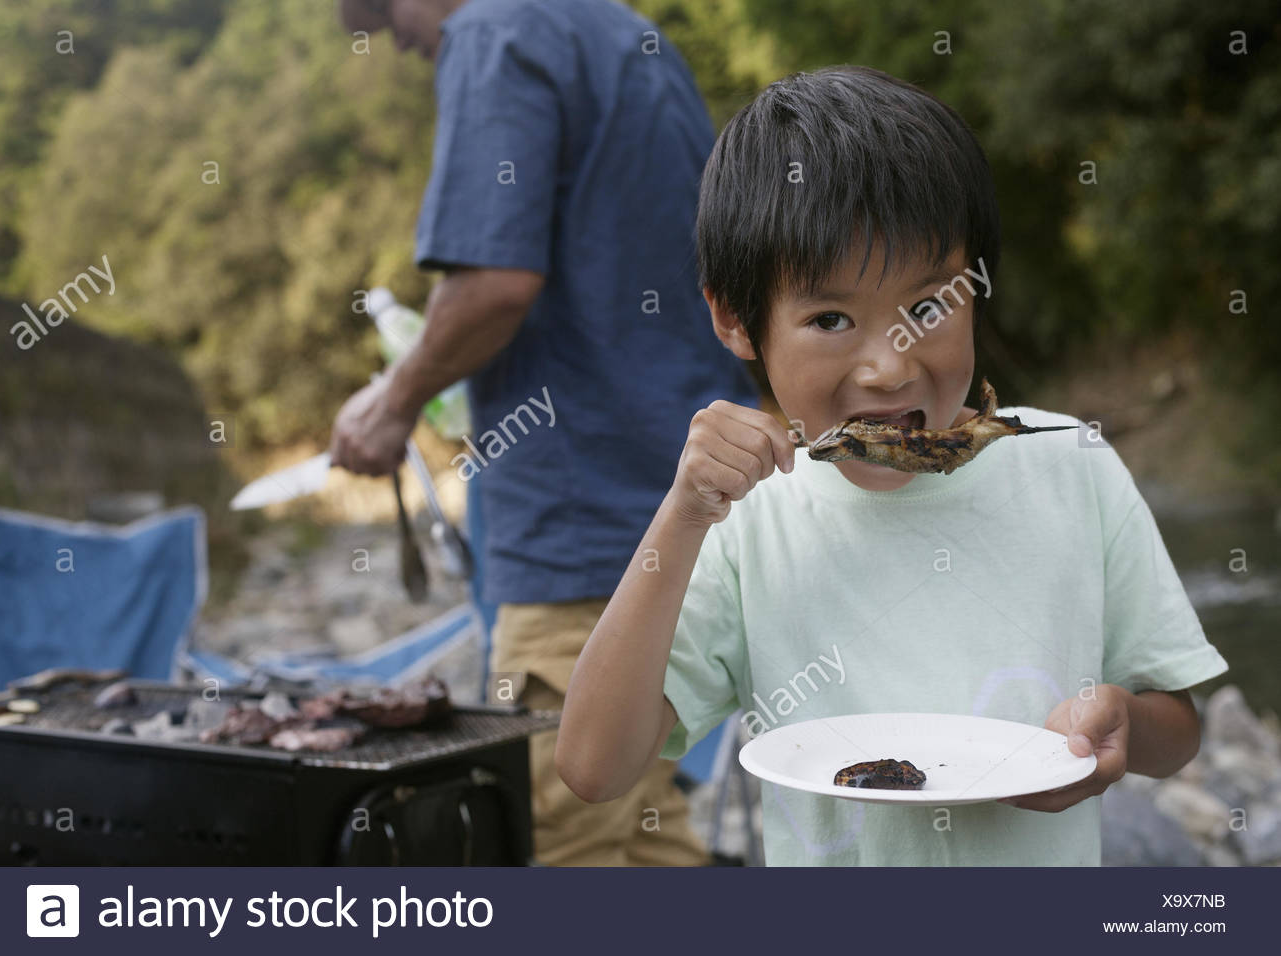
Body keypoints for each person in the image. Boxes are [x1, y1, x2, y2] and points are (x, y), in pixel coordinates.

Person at [556, 65, 1229, 866]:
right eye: (831, 317)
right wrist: (682, 515)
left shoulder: (1071, 465)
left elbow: (1176, 729)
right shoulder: (749, 517)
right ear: (736, 321)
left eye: (928, 307)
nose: (888, 365)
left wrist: (1118, 720)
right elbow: (594, 767)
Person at [330, 0, 757, 865]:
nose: (411, 49)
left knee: (563, 830)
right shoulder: (630, 36)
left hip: (580, 526)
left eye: (391, 24)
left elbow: (494, 281)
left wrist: (391, 400)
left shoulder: (493, 33)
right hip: (685, 509)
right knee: (647, 825)